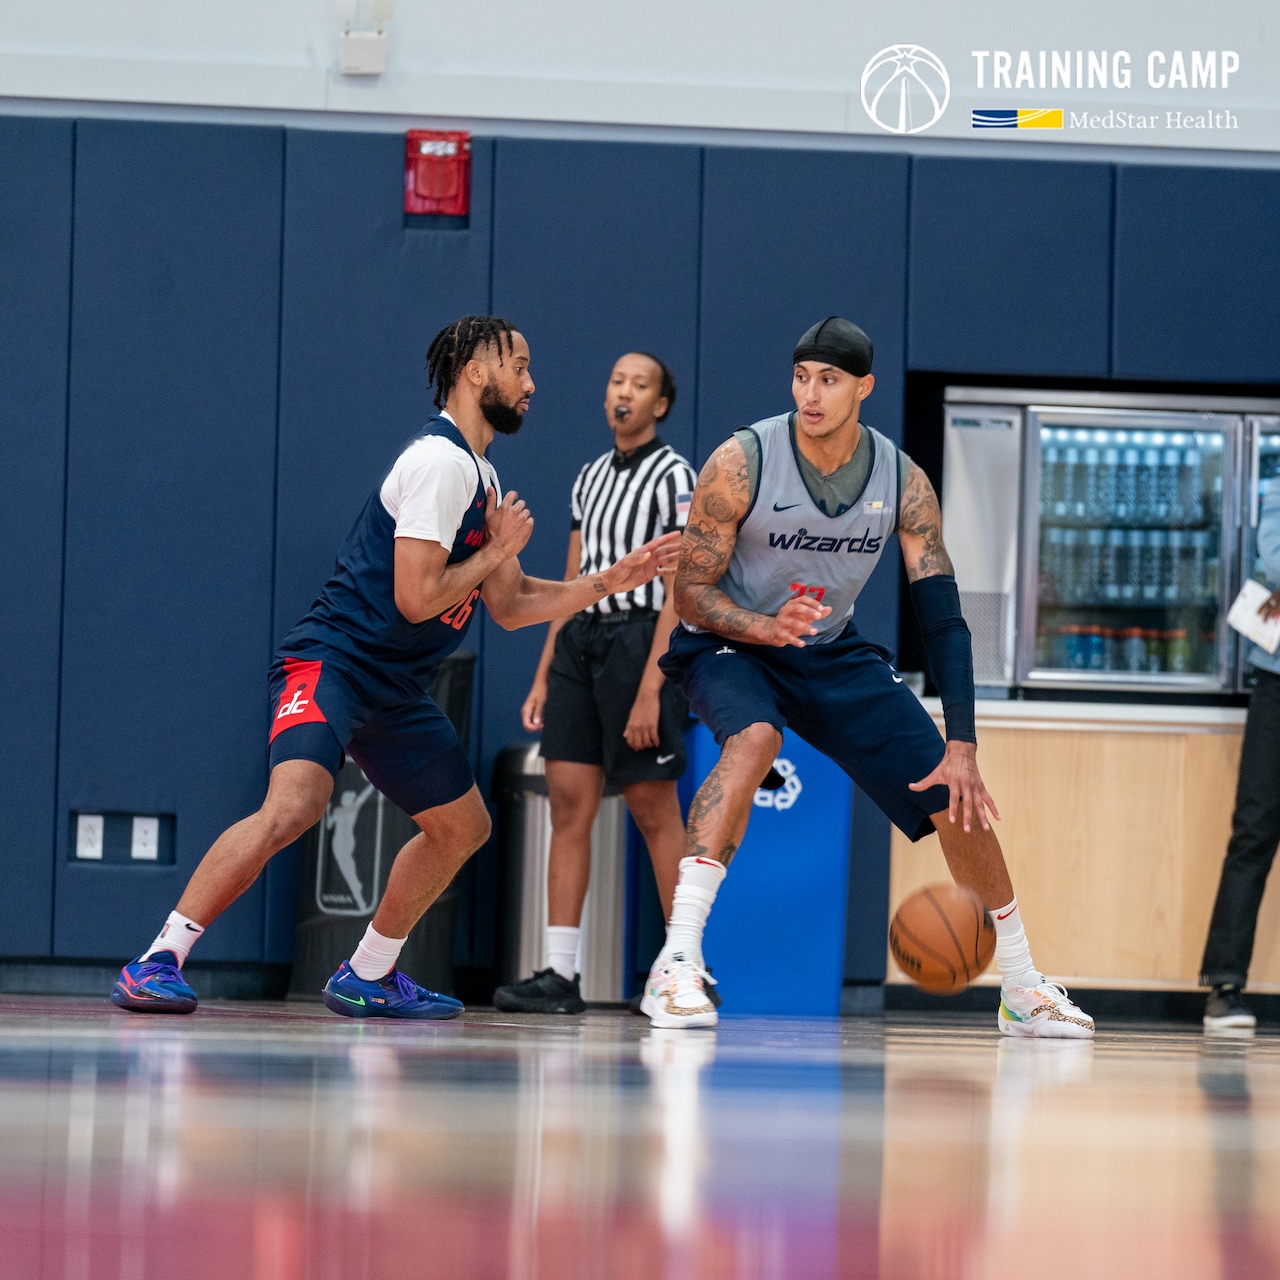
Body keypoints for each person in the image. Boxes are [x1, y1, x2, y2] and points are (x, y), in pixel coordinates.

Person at [110, 315, 679, 1020]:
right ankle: (158, 959)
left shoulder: (483, 473)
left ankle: (368, 973)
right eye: (520, 367)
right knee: (294, 806)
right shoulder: (439, 462)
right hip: (336, 662)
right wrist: (496, 553)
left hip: (394, 689)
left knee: (463, 826)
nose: (532, 384)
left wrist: (609, 580)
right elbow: (415, 600)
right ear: (476, 372)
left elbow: (510, 604)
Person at [645, 316, 1095, 1038]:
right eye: (801, 377)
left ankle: (1020, 985)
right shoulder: (742, 461)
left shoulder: (902, 482)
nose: (810, 394)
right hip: (730, 643)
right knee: (755, 738)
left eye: (828, 379)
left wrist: (964, 741)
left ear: (864, 388)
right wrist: (765, 627)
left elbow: (942, 618)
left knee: (954, 790)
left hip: (828, 649)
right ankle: (677, 961)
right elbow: (690, 594)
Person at [493, 352, 697, 1015]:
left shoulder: (676, 476)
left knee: (652, 808)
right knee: (568, 806)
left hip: (641, 643)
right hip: (580, 643)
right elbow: (573, 576)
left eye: (640, 384)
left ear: (660, 404)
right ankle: (559, 972)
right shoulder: (588, 477)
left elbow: (682, 586)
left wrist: (650, 685)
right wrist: (546, 673)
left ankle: (686, 967)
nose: (625, 392)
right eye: (616, 381)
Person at [1200, 476, 1280, 1032]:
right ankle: (1224, 986)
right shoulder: (1277, 493)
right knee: (1254, 828)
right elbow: (1273, 562)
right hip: (1277, 681)